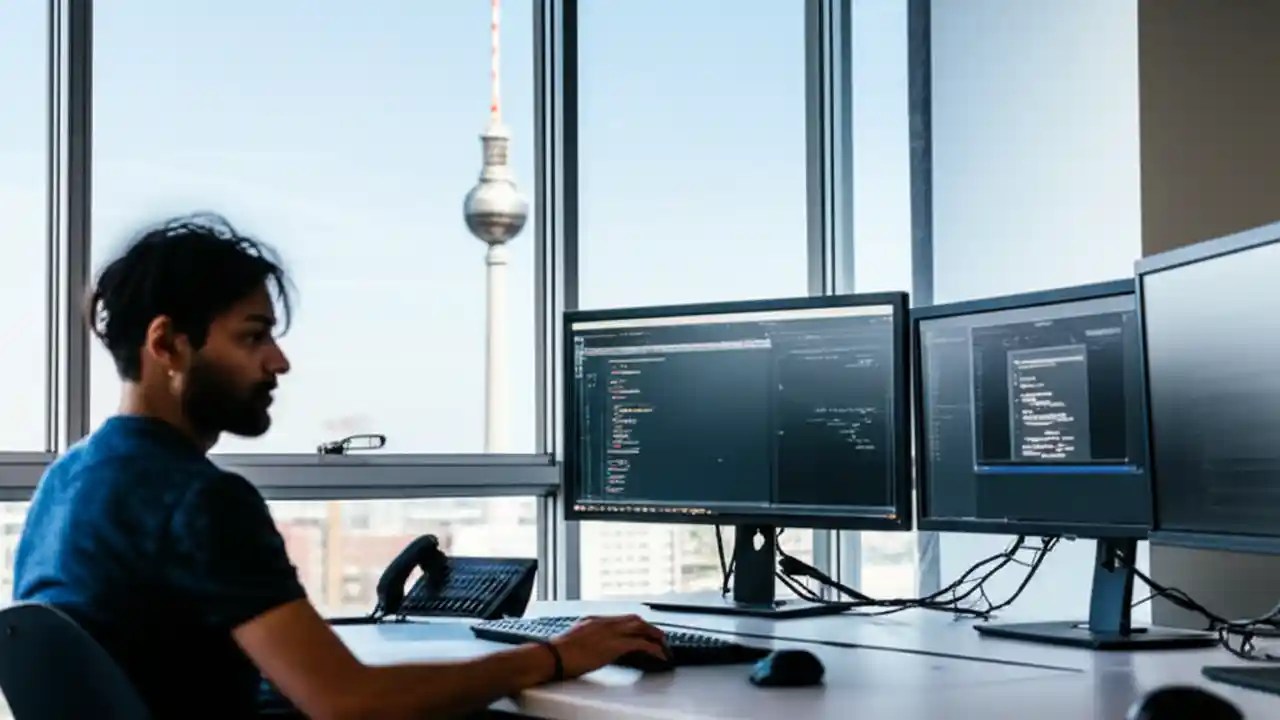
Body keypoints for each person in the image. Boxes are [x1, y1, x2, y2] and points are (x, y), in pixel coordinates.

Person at [12, 213, 668, 719]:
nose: (279, 361)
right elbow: (348, 704)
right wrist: (556, 655)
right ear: (167, 344)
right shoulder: (199, 501)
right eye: (252, 336)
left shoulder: (67, 481)